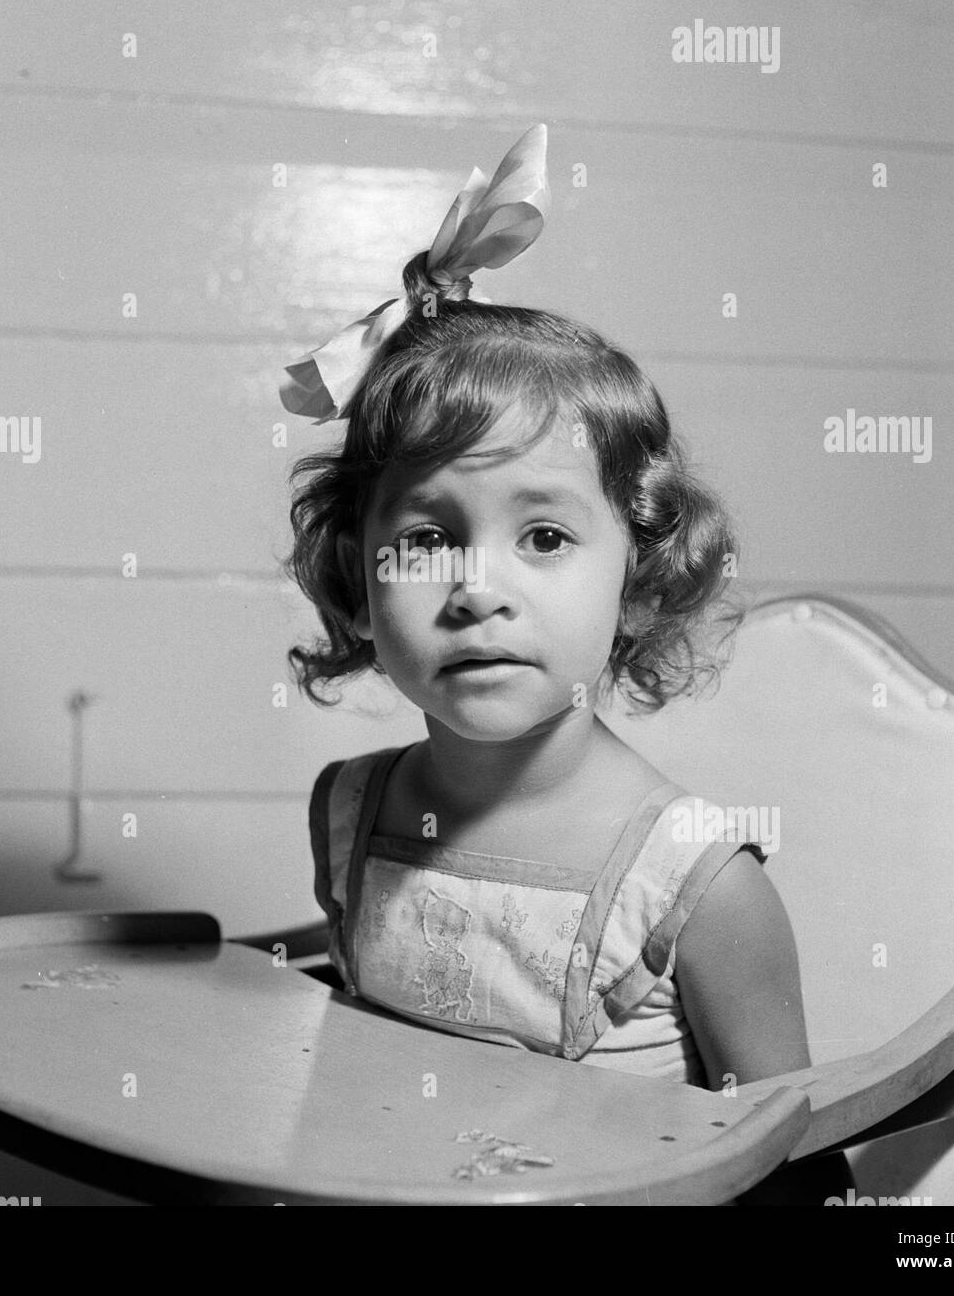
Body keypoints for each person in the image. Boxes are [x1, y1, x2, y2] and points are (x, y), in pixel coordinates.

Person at [279, 124, 849, 1202]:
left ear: (636, 576)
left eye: (542, 537)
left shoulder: (699, 886)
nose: (476, 586)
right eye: (427, 536)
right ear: (355, 577)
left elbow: (791, 1170)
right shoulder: (348, 815)